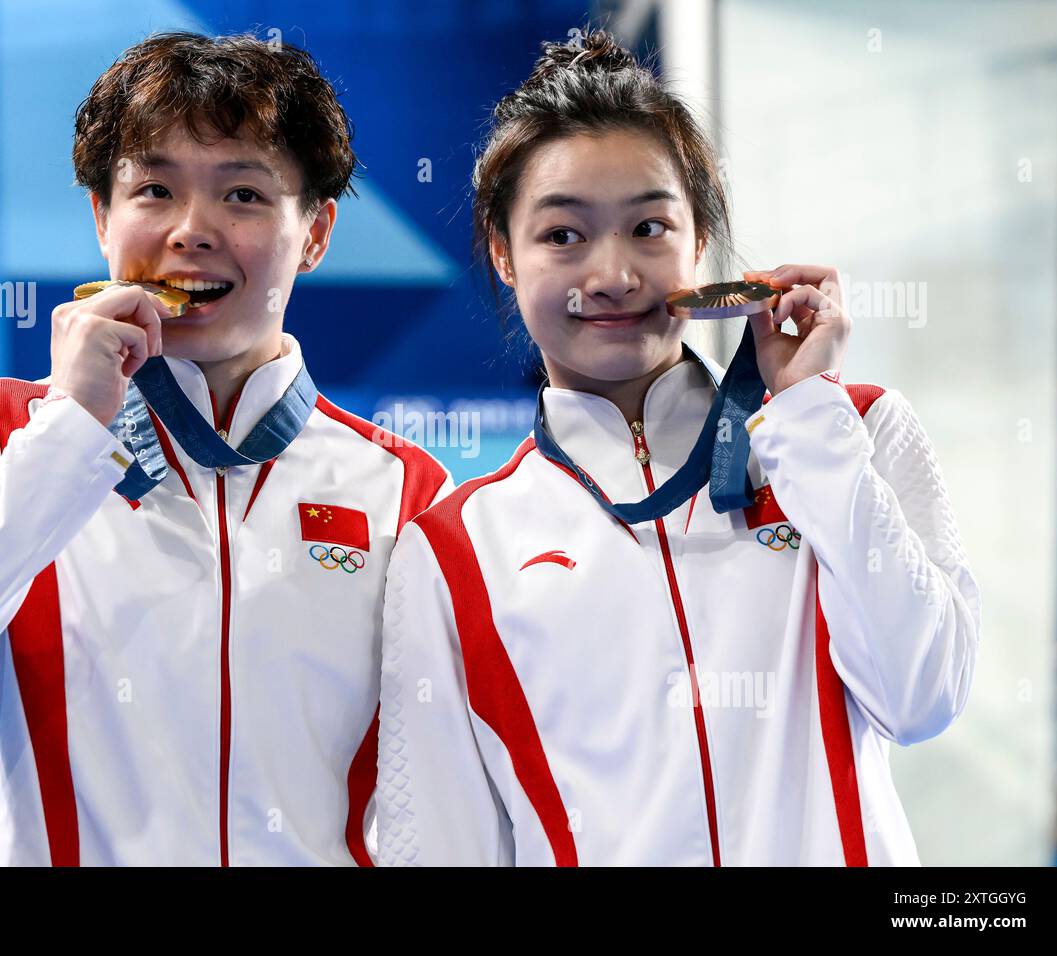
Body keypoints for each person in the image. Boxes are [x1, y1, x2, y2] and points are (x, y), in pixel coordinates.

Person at [0, 31, 451, 866]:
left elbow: (445, 804)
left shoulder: (408, 491)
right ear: (100, 217)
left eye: (244, 196)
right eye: (154, 188)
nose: (192, 231)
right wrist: (68, 436)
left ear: (316, 233)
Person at [374, 29, 980, 866]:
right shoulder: (453, 552)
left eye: (649, 227)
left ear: (700, 242)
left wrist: (809, 418)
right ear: (502, 254)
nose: (613, 273)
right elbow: (439, 844)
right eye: (562, 235)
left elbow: (924, 699)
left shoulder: (856, 431)